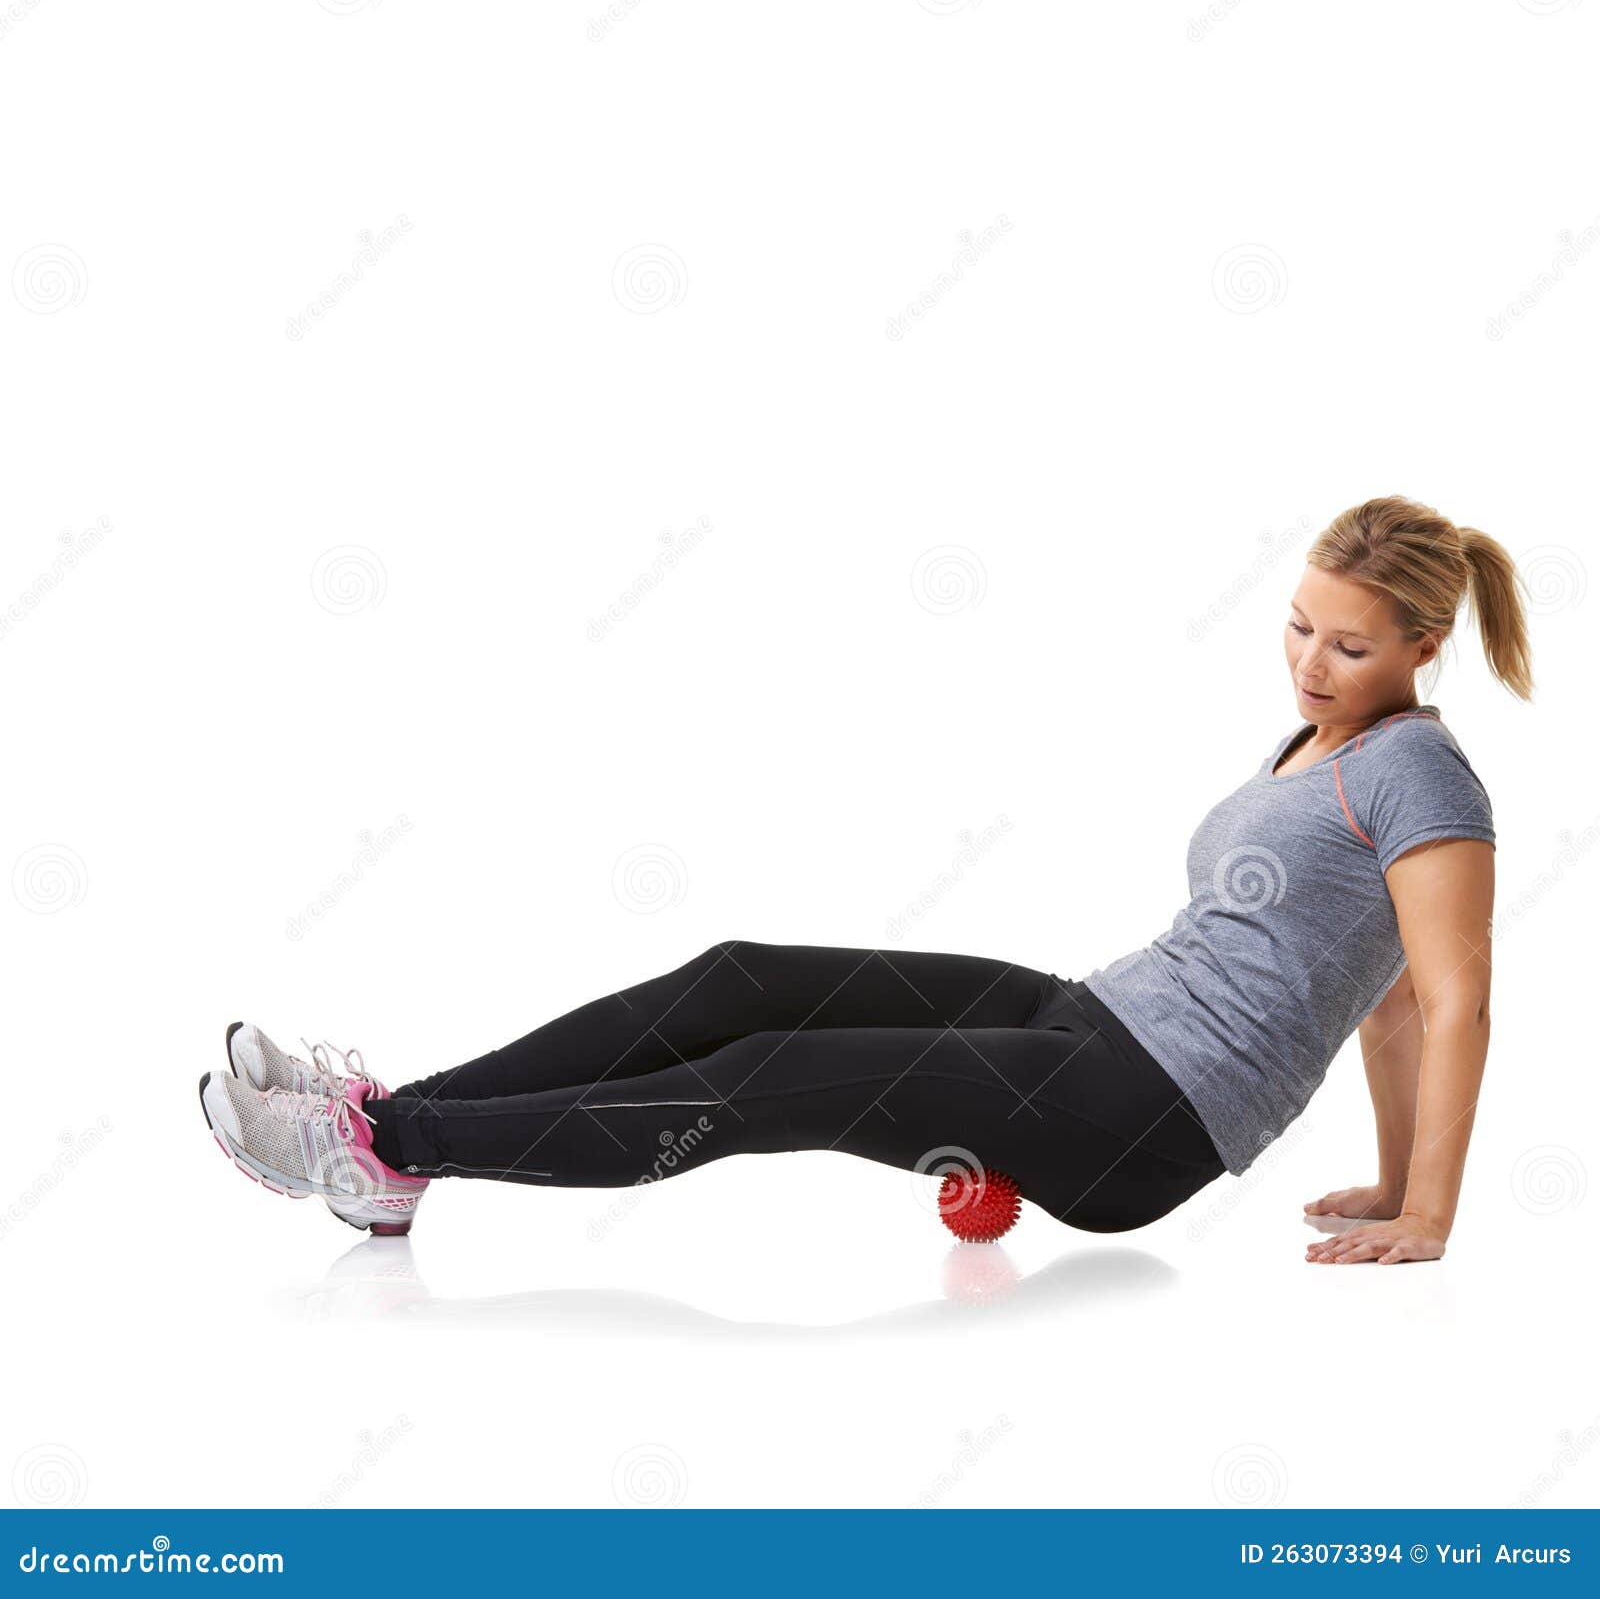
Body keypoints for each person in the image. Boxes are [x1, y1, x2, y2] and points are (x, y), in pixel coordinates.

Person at [198, 495, 1531, 1266]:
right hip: (1099, 1017)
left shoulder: (1423, 777)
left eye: (1347, 646)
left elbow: (1452, 999)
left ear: (1423, 642)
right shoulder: (1325, 737)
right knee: (742, 978)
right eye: (1298, 623)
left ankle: (383, 1154)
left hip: (1148, 1119)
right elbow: (1383, 1001)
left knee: (772, 1073)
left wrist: (1426, 1210)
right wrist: (1380, 1168)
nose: (1307, 661)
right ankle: (393, 1110)